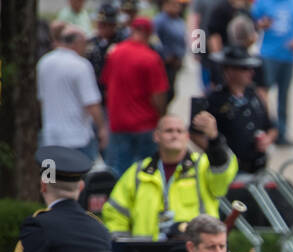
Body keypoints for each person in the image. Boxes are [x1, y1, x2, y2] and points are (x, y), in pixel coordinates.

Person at [102, 113, 238, 239]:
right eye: (169, 131)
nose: (175, 135)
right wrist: (123, 245)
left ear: (187, 137)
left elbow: (223, 172)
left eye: (180, 131)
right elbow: (115, 213)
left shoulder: (203, 165)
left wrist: (214, 139)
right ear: (156, 136)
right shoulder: (138, 172)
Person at [100, 16, 170, 174]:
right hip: (145, 124)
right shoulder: (151, 58)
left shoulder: (115, 53)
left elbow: (106, 86)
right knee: (147, 172)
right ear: (149, 34)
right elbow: (158, 95)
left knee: (119, 171)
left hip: (118, 123)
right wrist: (163, 116)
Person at [200, 46, 277, 175]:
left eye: (251, 68)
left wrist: (267, 139)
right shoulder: (213, 99)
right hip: (231, 171)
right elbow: (195, 133)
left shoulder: (255, 95)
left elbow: (272, 127)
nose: (250, 73)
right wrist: (219, 155)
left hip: (258, 168)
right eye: (244, 69)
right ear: (229, 71)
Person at [37, 27, 108, 162]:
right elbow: (91, 103)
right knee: (77, 180)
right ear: (77, 43)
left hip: (50, 139)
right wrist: (102, 128)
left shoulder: (44, 62)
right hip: (77, 140)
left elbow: (41, 100)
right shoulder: (81, 65)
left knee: (50, 179)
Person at [252, 0, 293, 146]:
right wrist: (260, 25)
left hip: (288, 56)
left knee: (284, 97)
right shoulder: (263, 3)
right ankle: (263, 130)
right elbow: (251, 23)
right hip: (268, 55)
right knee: (262, 95)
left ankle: (282, 133)